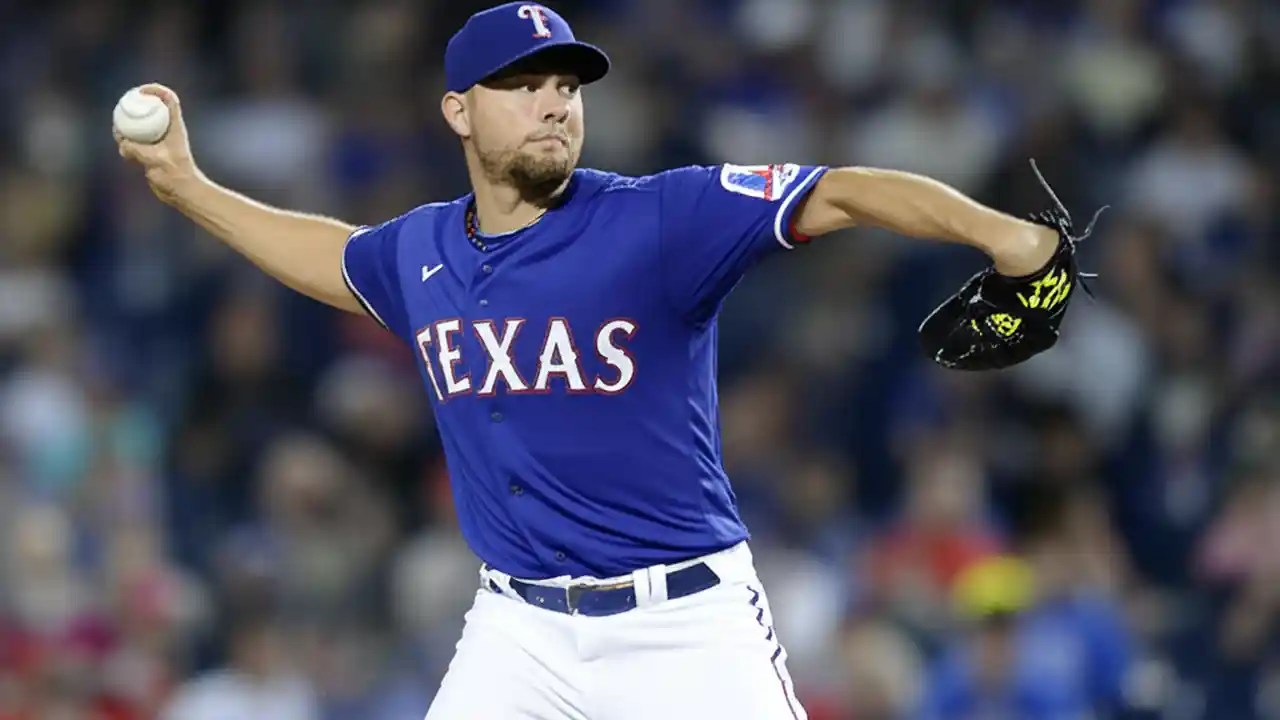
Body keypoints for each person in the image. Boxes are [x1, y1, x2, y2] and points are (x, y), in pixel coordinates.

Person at [115, 3, 1078, 717]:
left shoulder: (658, 218)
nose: (554, 105)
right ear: (458, 111)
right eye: (525, 85)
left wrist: (1004, 236)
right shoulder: (416, 252)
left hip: (685, 625)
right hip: (518, 632)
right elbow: (329, 257)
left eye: (567, 86)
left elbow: (846, 190)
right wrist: (189, 188)